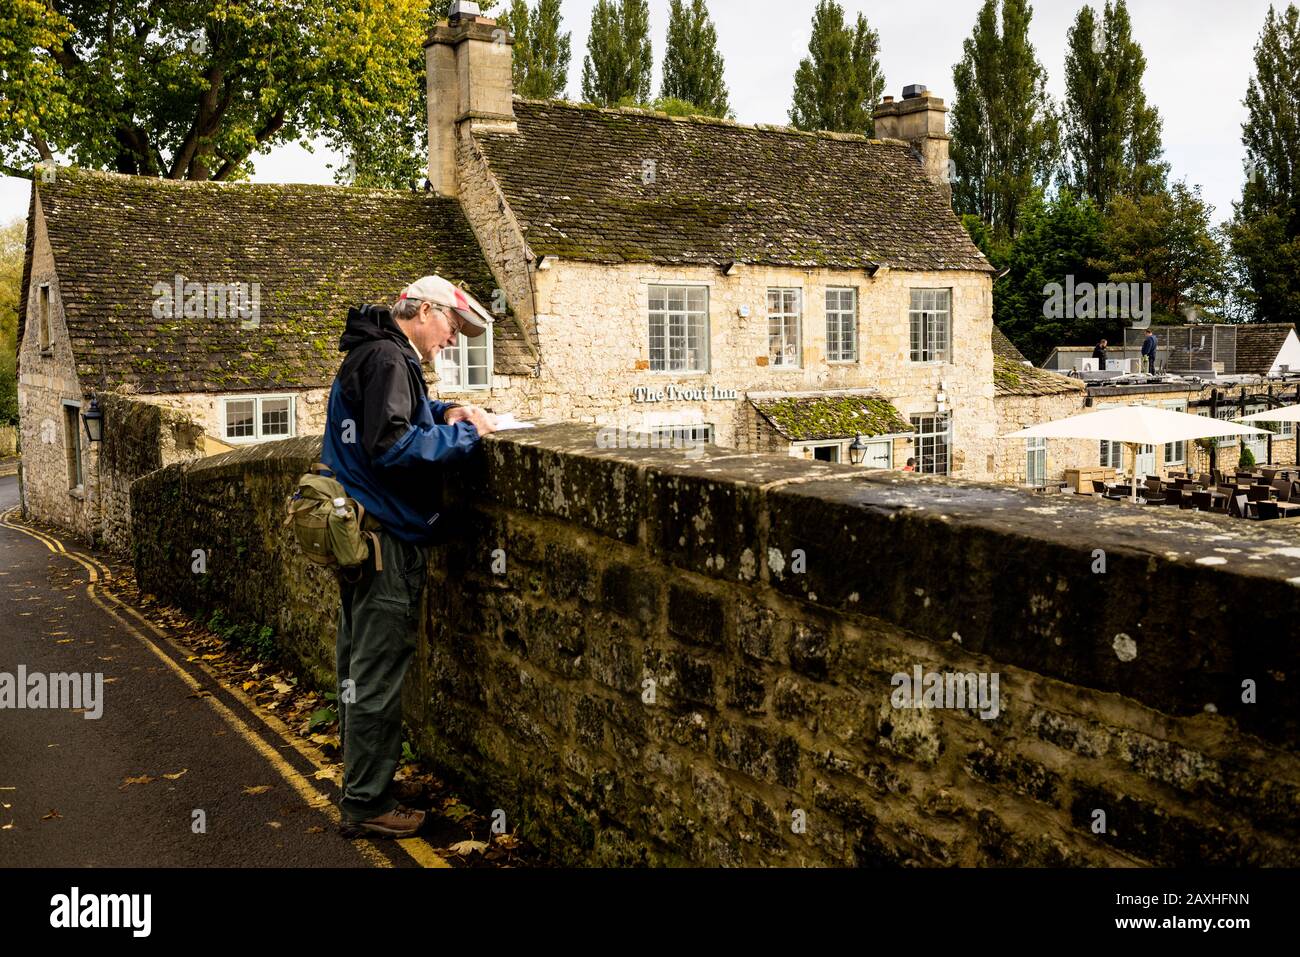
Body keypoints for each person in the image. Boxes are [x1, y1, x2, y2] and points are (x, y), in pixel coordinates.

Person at [321, 274, 498, 839]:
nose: (452, 340)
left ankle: (363, 786)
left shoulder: (377, 351)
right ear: (423, 310)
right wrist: (470, 439)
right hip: (385, 541)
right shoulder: (389, 358)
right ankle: (367, 805)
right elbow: (393, 446)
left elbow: (393, 418)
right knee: (375, 675)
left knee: (357, 669)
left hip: (360, 533)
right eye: (451, 326)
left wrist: (444, 410)